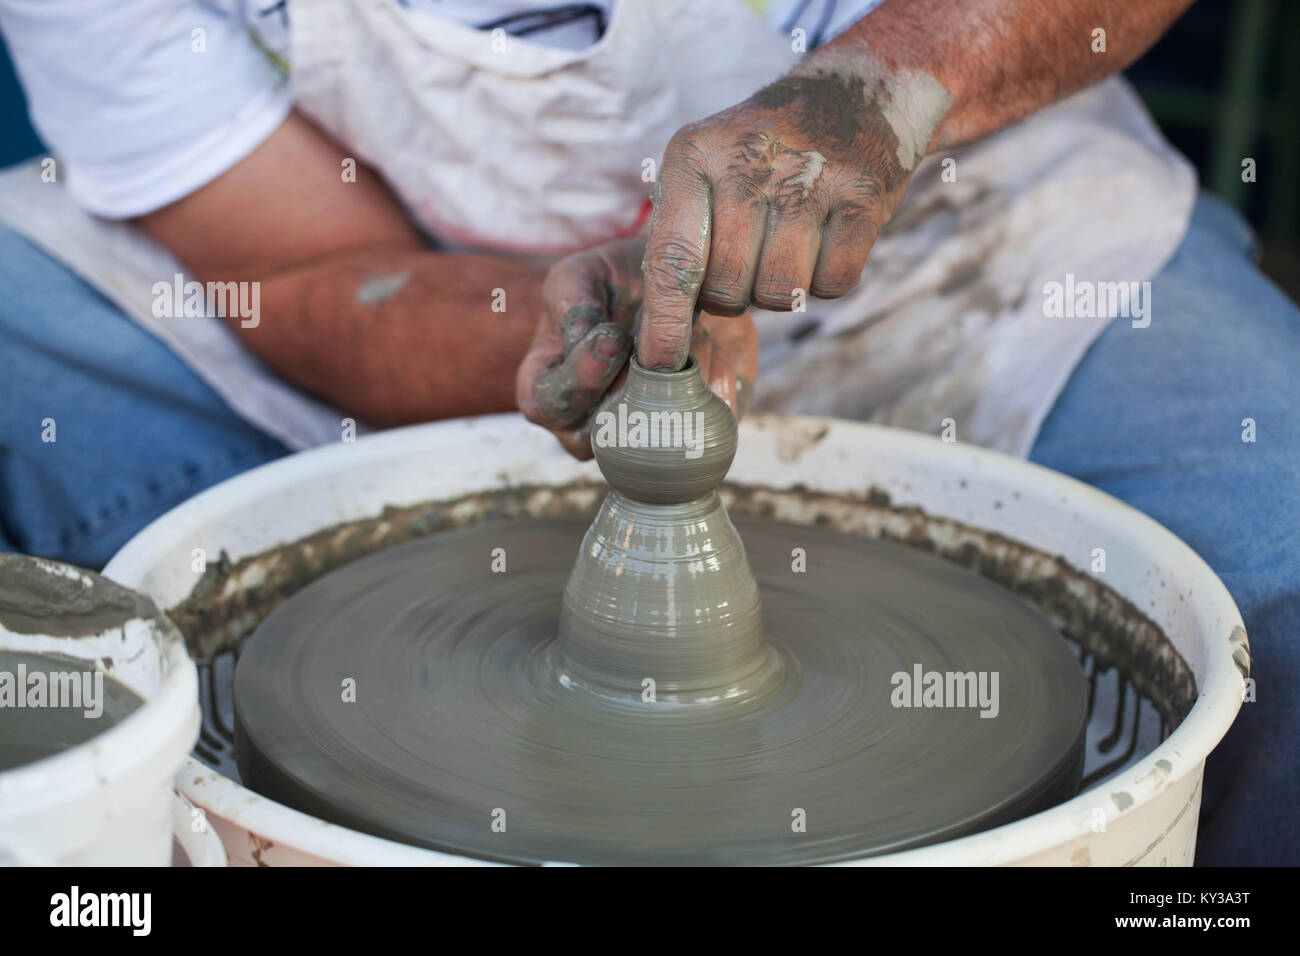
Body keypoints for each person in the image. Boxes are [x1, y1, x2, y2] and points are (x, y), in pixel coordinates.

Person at [0, 0, 1293, 864]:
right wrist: (553, 336)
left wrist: (885, 89)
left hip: (965, 212)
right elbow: (296, 266)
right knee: (105, 568)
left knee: (1276, 583)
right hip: (452, 285)